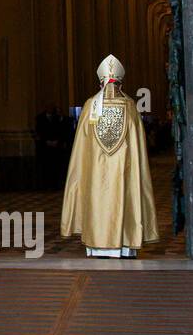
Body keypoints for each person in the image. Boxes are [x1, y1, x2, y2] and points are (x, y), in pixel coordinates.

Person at [61, 55, 160, 258]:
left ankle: (96, 244)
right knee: (126, 194)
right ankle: (124, 244)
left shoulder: (90, 105)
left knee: (96, 196)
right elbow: (137, 145)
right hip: (124, 170)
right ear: (121, 82)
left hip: (95, 172)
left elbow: (81, 147)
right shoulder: (130, 106)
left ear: (100, 81)